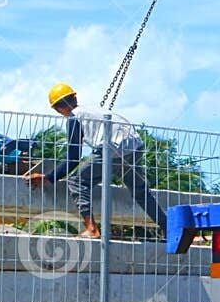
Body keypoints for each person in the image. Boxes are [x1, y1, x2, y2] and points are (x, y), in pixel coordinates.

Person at [25, 83, 166, 238]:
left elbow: (73, 158)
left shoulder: (74, 118)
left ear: (57, 109)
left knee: (77, 182)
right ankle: (168, 227)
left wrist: (48, 178)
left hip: (111, 149)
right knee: (140, 192)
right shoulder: (94, 110)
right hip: (135, 147)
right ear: (75, 97)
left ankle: (91, 229)